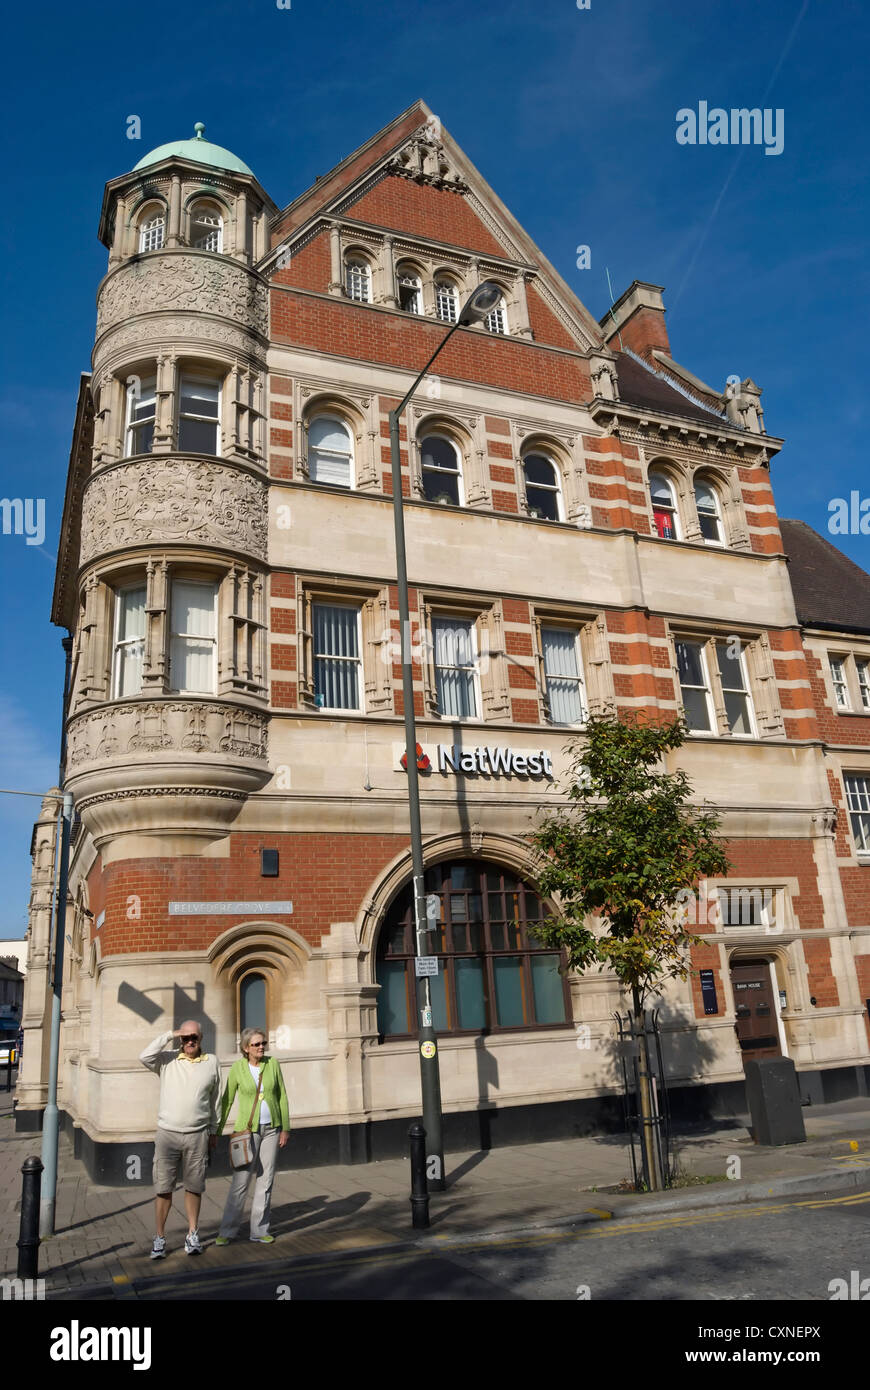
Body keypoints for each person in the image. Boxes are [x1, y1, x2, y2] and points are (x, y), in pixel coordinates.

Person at [139, 1019, 221, 1258]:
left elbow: (216, 1099)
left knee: (194, 1187)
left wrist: (214, 1130)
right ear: (180, 1039)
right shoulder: (167, 1060)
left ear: (201, 1038)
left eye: (194, 1037)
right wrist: (170, 1034)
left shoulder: (212, 1062)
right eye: (185, 1038)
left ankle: (192, 1234)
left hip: (198, 1134)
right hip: (168, 1134)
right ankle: (160, 1238)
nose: (190, 1041)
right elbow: (144, 1056)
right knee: (163, 1188)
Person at [216, 1028, 290, 1245]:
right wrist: (217, 1130)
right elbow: (227, 1100)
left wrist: (285, 1128)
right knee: (240, 1182)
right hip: (247, 1132)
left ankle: (259, 1230)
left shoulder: (272, 1064)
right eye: (256, 1044)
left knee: (266, 1180)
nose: (261, 1047)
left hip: (272, 1129)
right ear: (246, 1048)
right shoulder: (238, 1068)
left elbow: (282, 1096)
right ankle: (227, 1231)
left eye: (263, 1043)